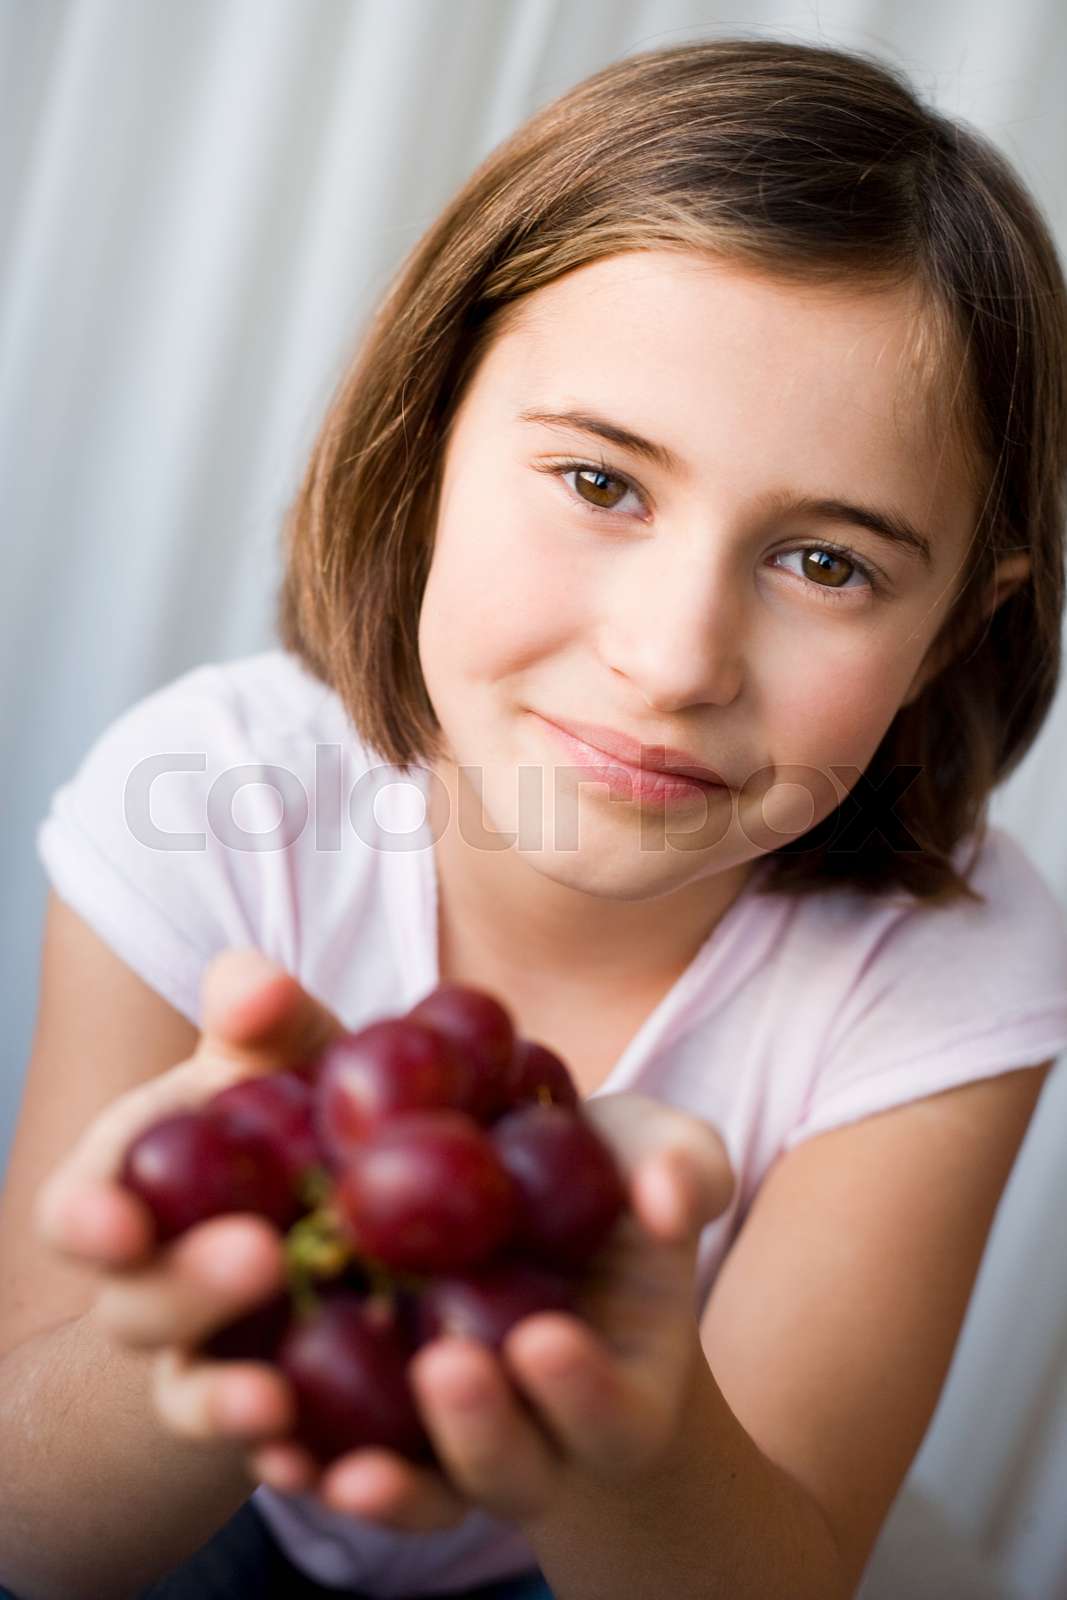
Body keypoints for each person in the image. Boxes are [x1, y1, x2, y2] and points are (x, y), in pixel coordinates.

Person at [2, 31, 1066, 1600]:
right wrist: (206, 1339)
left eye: (826, 563)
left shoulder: (949, 970)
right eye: (600, 483)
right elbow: (29, 1516)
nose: (673, 656)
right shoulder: (215, 802)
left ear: (955, 635)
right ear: (429, 439)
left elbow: (783, 1569)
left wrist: (621, 1421)